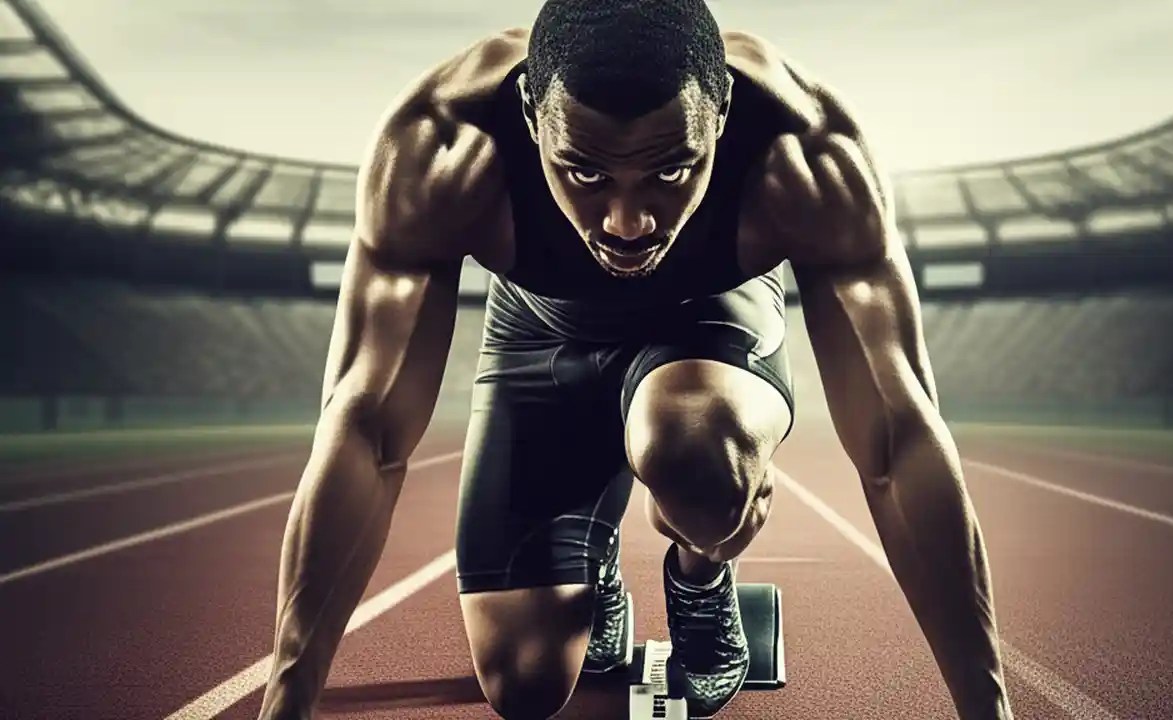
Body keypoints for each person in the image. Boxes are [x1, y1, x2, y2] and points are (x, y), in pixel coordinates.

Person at [256, 1, 1014, 718]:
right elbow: (365, 431)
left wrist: (991, 711)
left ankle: (700, 573)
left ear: (719, 117)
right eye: (585, 173)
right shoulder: (443, 147)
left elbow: (898, 444)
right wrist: (285, 701)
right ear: (531, 117)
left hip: (705, 332)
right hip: (541, 338)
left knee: (691, 446)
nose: (628, 222)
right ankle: (597, 565)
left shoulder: (804, 156)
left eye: (671, 170)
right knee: (523, 683)